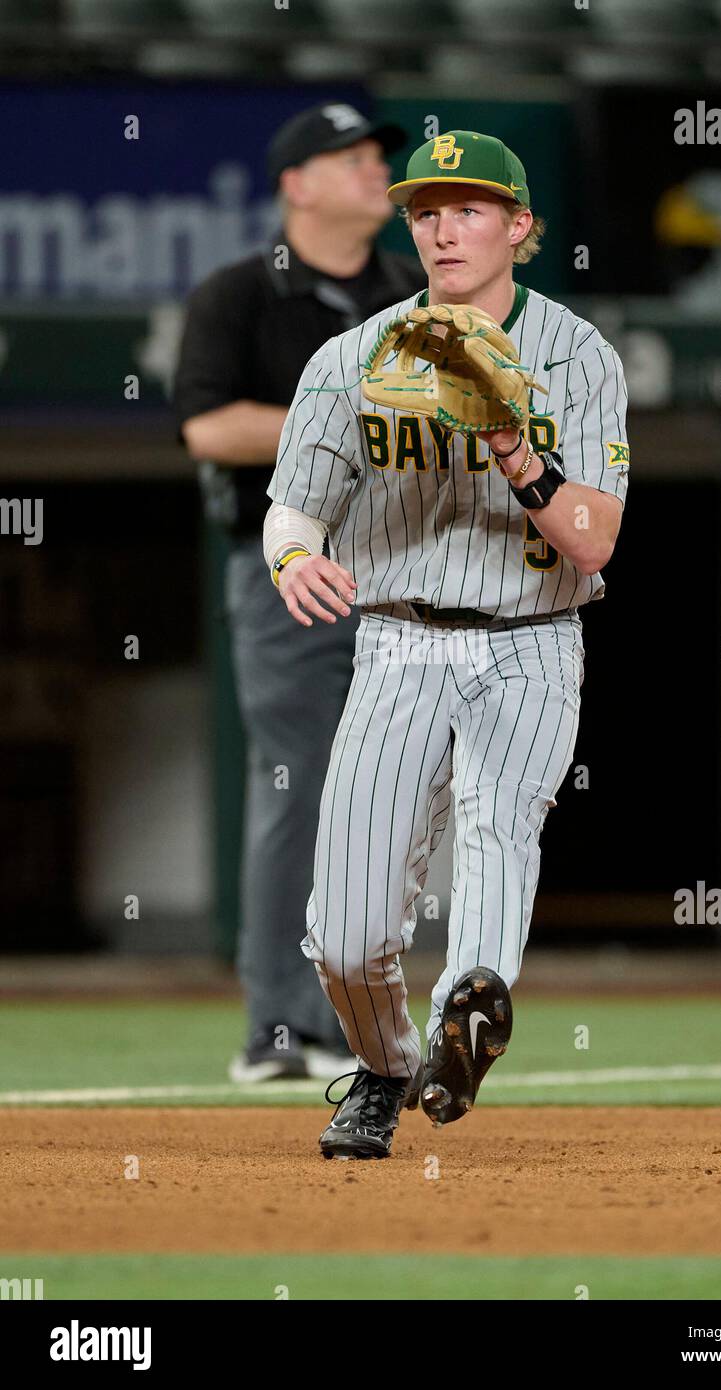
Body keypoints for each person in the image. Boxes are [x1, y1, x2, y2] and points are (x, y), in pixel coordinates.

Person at [263, 130, 630, 1156]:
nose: (441, 227)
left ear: (519, 227)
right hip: (397, 641)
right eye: (425, 210)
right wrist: (293, 561)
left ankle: (471, 1007)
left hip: (531, 638)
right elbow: (292, 510)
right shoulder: (352, 356)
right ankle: (385, 1067)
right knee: (344, 936)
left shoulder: (576, 355)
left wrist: (513, 447)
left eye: (468, 208)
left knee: (496, 824)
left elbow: (594, 538)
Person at [174, 103, 425, 1082]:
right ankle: (279, 1026)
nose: (374, 172)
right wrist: (342, 418)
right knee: (301, 780)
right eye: (350, 158)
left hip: (407, 569)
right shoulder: (239, 293)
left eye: (377, 157)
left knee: (403, 794)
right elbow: (207, 427)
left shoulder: (413, 292)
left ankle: (366, 1017)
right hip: (290, 567)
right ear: (296, 184)